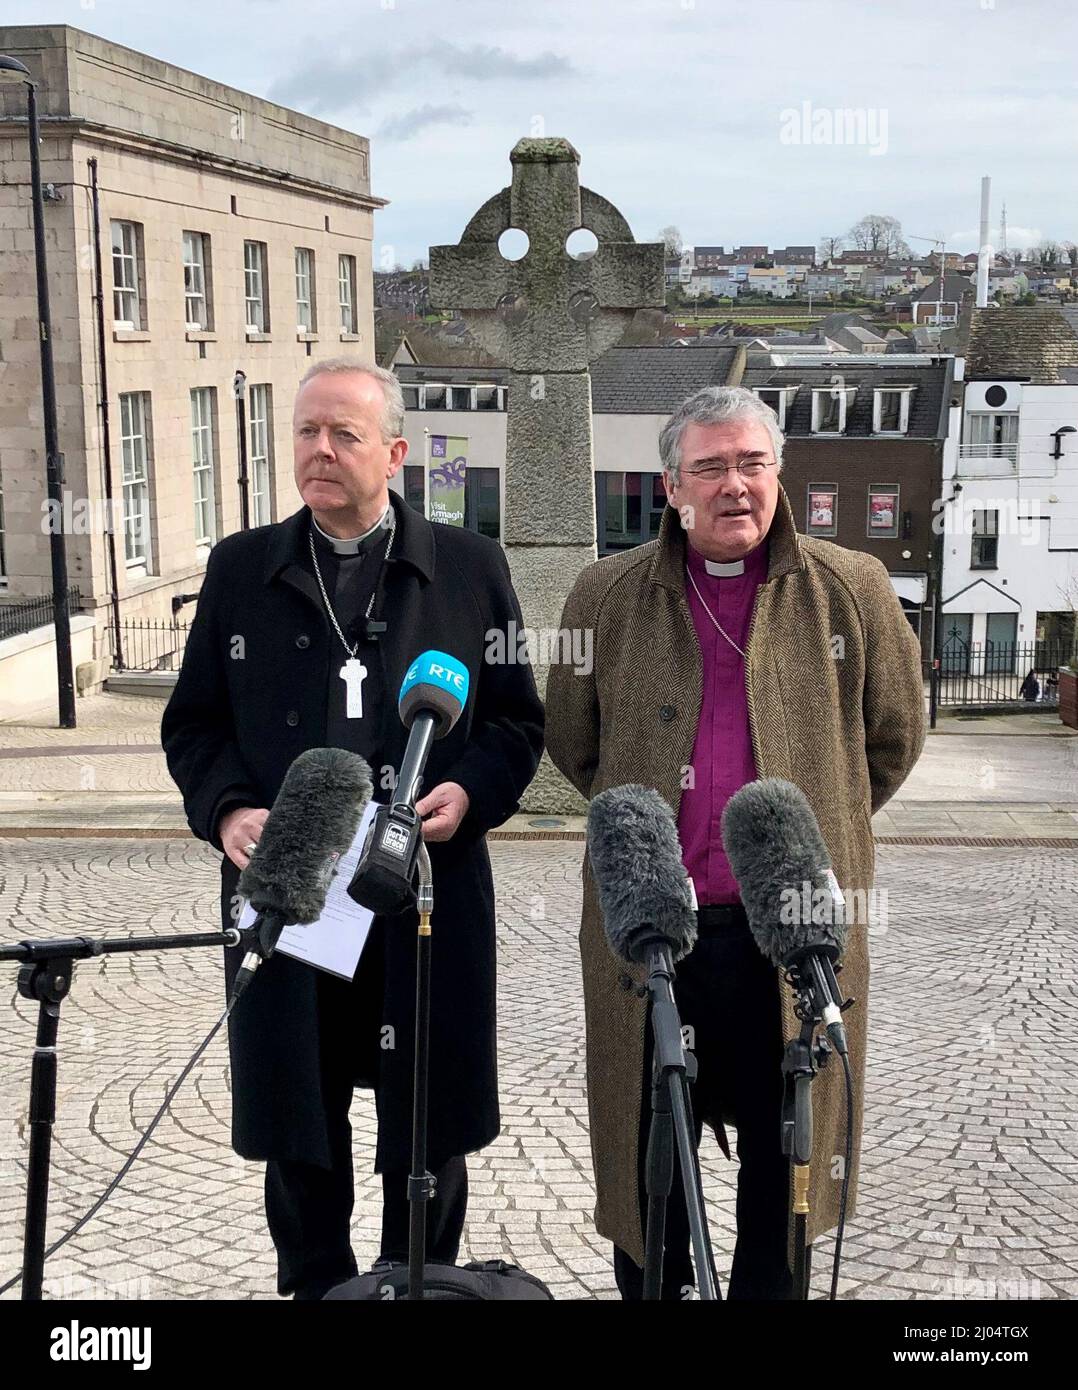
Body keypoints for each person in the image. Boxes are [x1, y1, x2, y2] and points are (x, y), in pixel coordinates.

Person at [162, 359, 543, 1299]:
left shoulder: (469, 569)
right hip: (292, 887)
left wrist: (470, 794)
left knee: (427, 1119)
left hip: (424, 891)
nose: (319, 452)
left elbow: (514, 722)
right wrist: (228, 810)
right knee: (300, 1119)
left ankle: (414, 1287)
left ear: (397, 453)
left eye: (344, 435)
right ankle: (316, 1288)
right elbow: (194, 723)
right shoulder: (241, 568)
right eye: (305, 433)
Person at [546, 385, 925, 1299]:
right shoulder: (606, 594)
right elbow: (574, 739)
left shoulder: (853, 589)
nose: (735, 486)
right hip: (654, 938)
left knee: (784, 1176)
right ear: (671, 486)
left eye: (752, 463)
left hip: (786, 940)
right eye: (710, 468)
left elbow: (893, 738)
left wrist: (818, 822)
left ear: (779, 472)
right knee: (650, 1173)